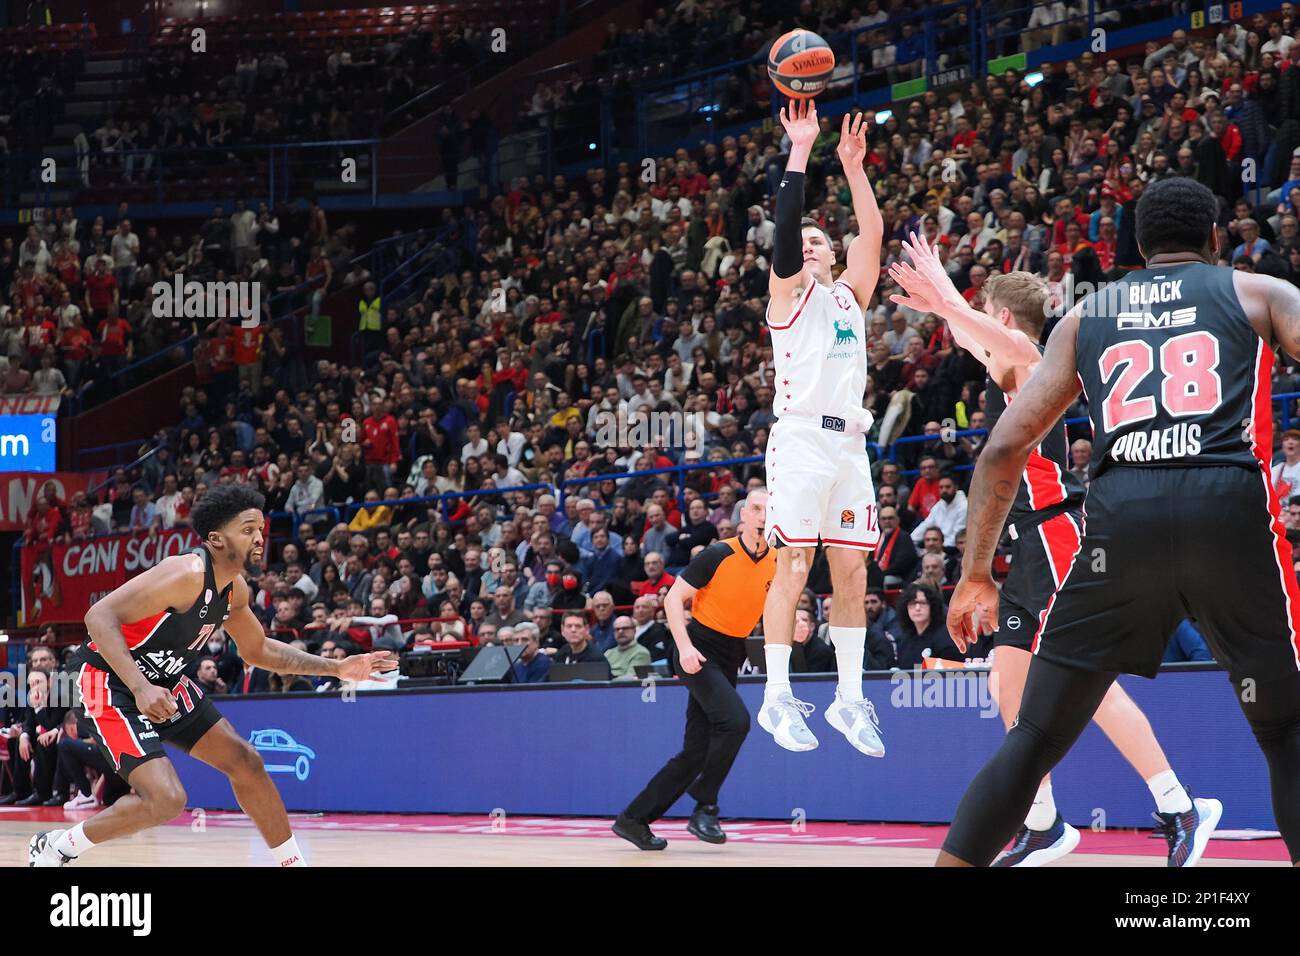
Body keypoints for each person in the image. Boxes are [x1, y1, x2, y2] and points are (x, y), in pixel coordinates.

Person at [940, 177, 1300, 868]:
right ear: (1215, 239)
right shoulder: (1258, 292)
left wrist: (975, 574)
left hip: (1119, 521)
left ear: (1135, 248)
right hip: (1227, 508)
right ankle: (1177, 802)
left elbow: (1002, 450)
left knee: (1035, 736)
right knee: (1284, 731)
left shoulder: (1086, 317)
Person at [891, 230, 1215, 866]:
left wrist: (943, 289)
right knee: (1008, 689)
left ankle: (1180, 804)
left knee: (1088, 682)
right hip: (1023, 546)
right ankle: (1044, 825)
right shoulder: (1000, 355)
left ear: (1003, 318)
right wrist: (940, 304)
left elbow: (973, 327)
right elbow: (964, 330)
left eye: (986, 315)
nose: (975, 327)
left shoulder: (1025, 352)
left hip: (1057, 532)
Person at [28, 484, 396, 868]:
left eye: (261, 528)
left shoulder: (234, 590)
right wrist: (139, 687)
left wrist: (336, 667)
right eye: (249, 529)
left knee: (247, 762)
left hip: (165, 680)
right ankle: (59, 846)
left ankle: (291, 865)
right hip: (108, 678)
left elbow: (259, 650)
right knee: (167, 799)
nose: (260, 537)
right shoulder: (184, 573)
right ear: (217, 539)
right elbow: (98, 617)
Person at [758, 104, 885, 759]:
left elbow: (873, 232)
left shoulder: (849, 298)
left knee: (852, 575)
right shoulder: (788, 297)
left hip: (850, 444)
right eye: (800, 242)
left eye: (817, 241)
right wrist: (801, 151)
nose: (806, 245)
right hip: (802, 438)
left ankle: (847, 699)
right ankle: (776, 697)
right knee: (795, 564)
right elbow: (783, 232)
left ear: (832, 255)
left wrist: (854, 168)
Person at [614, 488, 775, 850]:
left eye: (771, 509)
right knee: (735, 721)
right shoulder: (718, 553)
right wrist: (684, 647)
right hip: (696, 648)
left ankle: (633, 819)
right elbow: (672, 598)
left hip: (731, 652)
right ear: (743, 516)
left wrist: (793, 624)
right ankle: (706, 805)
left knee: (695, 752)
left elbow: (773, 607)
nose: (764, 516)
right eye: (756, 509)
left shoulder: (777, 560)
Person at [605, 615, 652, 679]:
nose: (620, 631)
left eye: (625, 628)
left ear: (634, 630)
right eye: (617, 629)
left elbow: (631, 681)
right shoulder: (608, 653)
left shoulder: (642, 653)